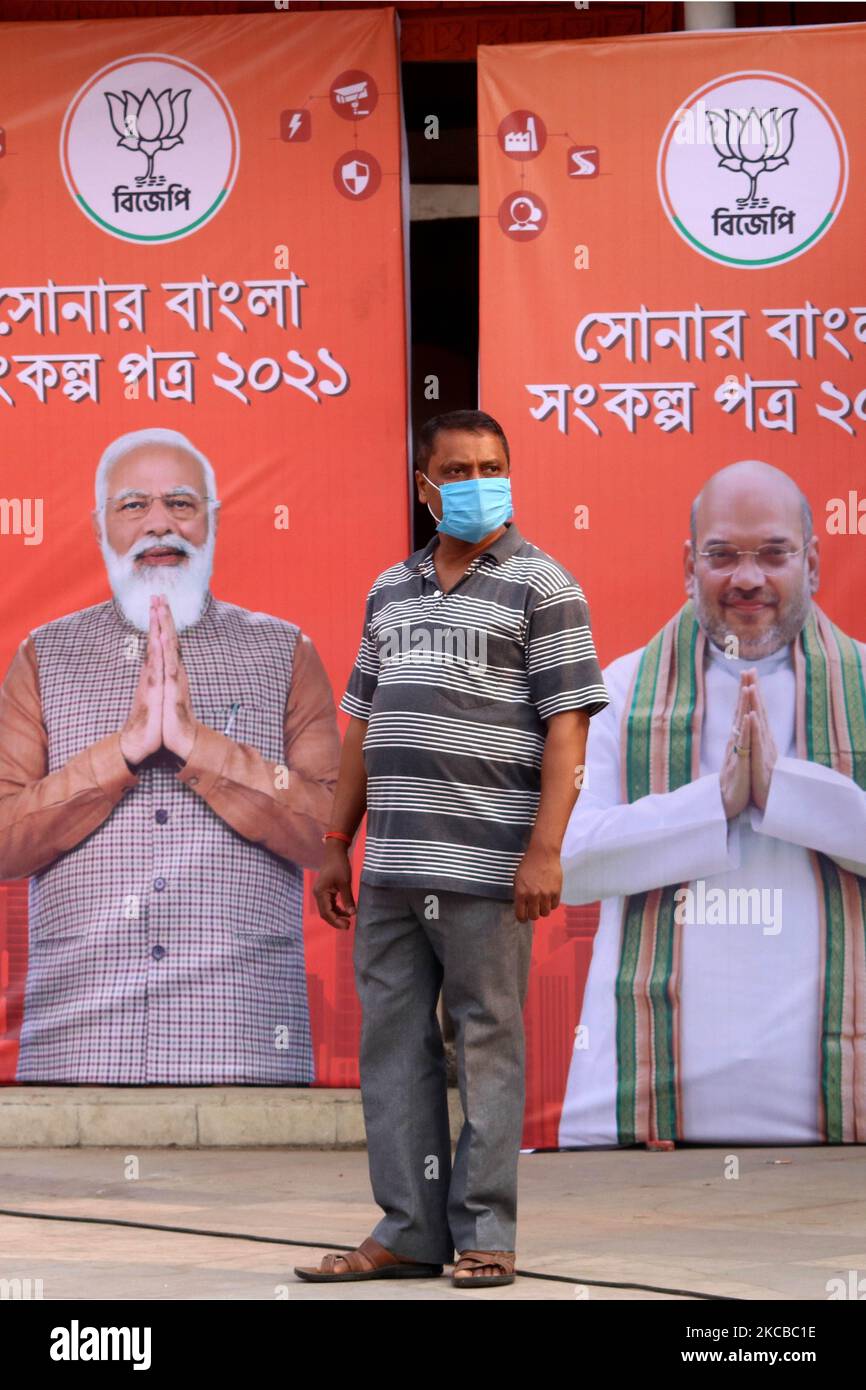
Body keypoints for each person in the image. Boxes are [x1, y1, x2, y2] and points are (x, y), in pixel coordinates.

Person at [295, 409, 608, 1287]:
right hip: (393, 866)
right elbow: (361, 724)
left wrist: (545, 849)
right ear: (423, 485)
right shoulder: (388, 591)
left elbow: (568, 734)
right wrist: (334, 841)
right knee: (395, 1049)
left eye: (492, 466)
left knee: (486, 1044)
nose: (478, 483)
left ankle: (486, 1236)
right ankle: (407, 1230)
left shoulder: (545, 585)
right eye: (459, 470)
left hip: (487, 869)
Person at [0, 427, 340, 1085]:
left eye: (182, 504)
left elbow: (330, 830)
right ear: (100, 527)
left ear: (211, 521)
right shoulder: (43, 656)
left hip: (245, 1044)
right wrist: (120, 755)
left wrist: (199, 748)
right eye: (134, 506)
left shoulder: (284, 652)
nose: (161, 524)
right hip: (78, 1048)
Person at [559, 459, 866, 1148]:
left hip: (839, 1118)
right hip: (646, 1105)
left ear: (813, 563)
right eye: (722, 555)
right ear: (688, 565)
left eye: (774, 554)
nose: (748, 578)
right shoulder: (622, 687)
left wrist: (787, 792)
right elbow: (565, 862)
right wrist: (714, 803)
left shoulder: (865, 685)